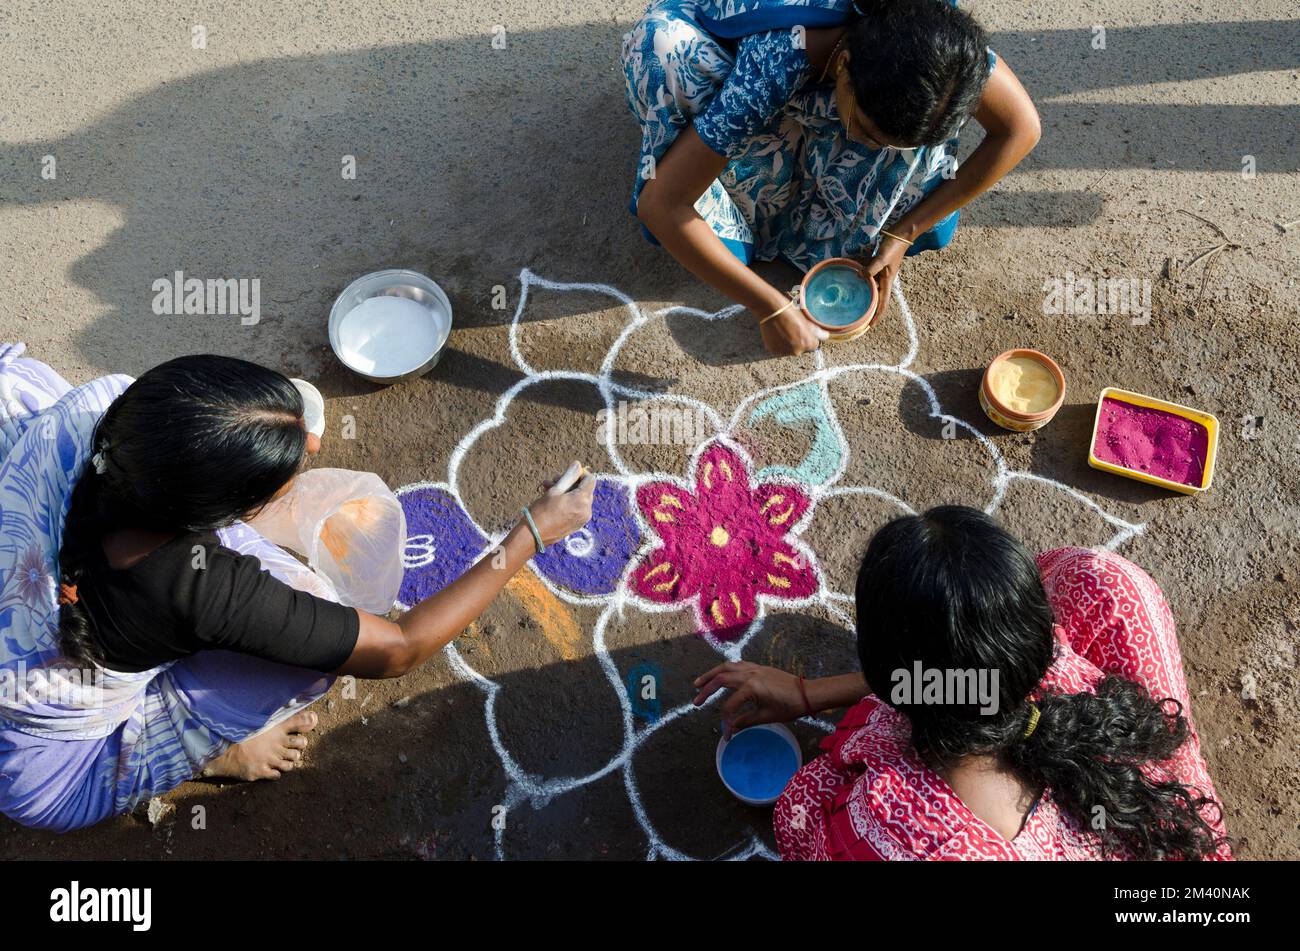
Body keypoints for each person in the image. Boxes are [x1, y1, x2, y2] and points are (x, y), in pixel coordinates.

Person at [0, 346, 594, 831]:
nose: (311, 450)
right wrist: (531, 534)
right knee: (307, 653)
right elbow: (398, 649)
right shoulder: (190, 586)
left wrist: (262, 433)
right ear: (209, 516)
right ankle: (215, 751)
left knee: (17, 385)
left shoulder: (100, 408)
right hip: (42, 767)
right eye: (275, 485)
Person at [693, 506, 1232, 860]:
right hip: (1165, 832)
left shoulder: (895, 826)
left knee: (805, 799)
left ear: (895, 685)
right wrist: (810, 695)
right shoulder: (1063, 679)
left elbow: (801, 819)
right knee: (1104, 581)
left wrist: (838, 715)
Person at [622, 0, 1041, 355]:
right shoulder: (778, 57)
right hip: (723, 43)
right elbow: (662, 205)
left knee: (902, 159)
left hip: (831, 80)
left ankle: (841, 139)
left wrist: (905, 232)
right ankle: (719, 153)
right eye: (868, 133)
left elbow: (1021, 129)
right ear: (843, 63)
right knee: (666, 50)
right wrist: (768, 306)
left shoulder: (940, 49)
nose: (874, 151)